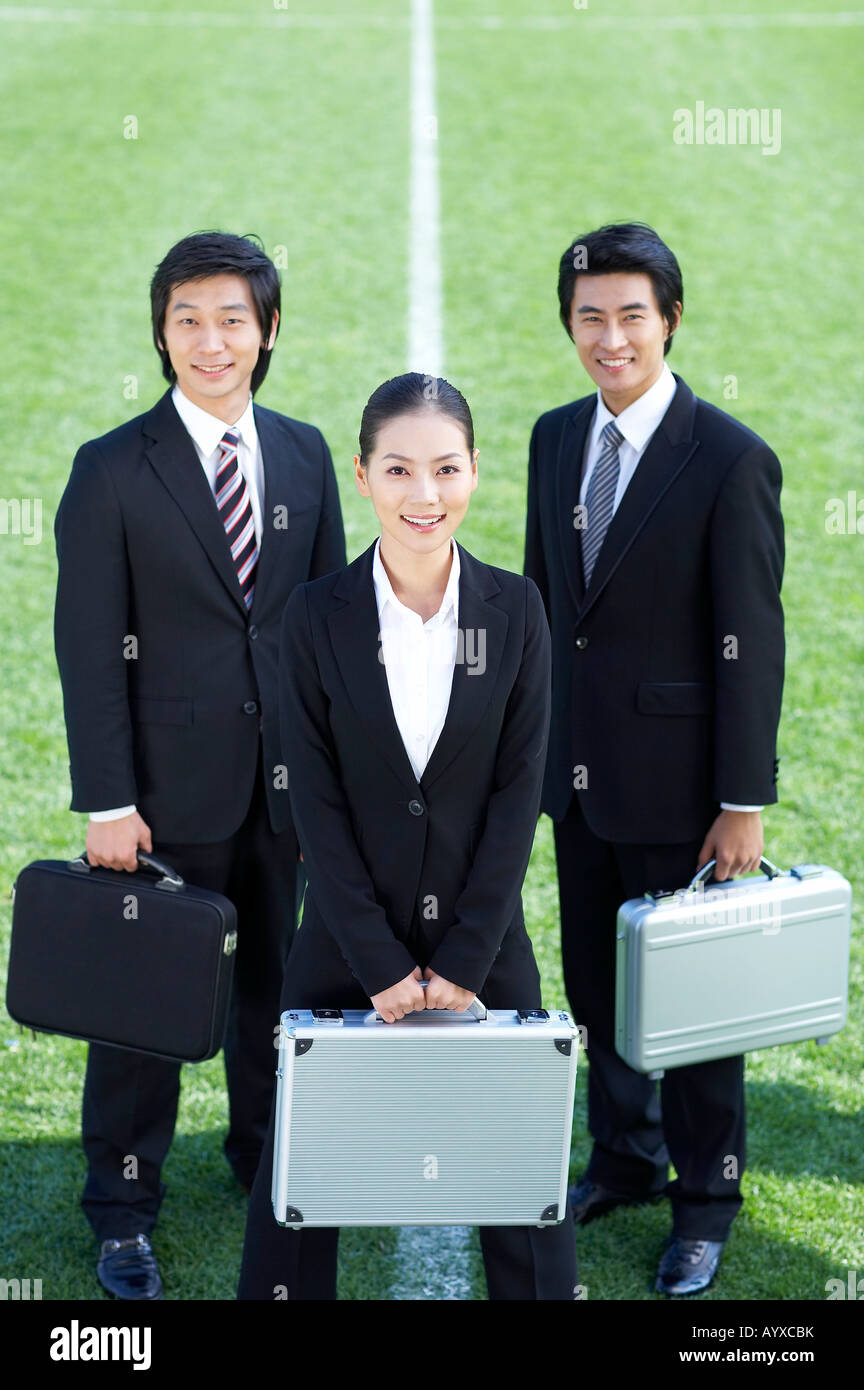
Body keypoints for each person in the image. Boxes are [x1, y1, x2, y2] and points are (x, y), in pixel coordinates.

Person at [237, 372, 578, 1300]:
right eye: (399, 469)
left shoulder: (519, 611)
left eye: (445, 468)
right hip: (345, 938)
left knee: (520, 1168)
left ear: (474, 472)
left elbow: (518, 798)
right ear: (362, 476)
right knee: (301, 1177)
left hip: (484, 936)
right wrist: (380, 963)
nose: (423, 495)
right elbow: (317, 804)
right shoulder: (313, 617)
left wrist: (465, 958)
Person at [53, 231, 346, 1299]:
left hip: (281, 796)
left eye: (233, 319)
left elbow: (324, 636)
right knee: (142, 1014)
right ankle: (123, 1208)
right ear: (161, 332)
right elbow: (88, 653)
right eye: (188, 320)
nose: (211, 341)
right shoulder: (111, 469)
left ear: (269, 330)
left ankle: (264, 1158)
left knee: (278, 992)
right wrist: (109, 802)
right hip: (161, 806)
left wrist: (327, 785)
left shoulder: (309, 454)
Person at [524, 222, 784, 1295]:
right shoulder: (551, 438)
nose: (612, 335)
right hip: (577, 782)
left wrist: (743, 803)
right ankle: (624, 1160)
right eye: (591, 315)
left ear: (671, 318)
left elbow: (752, 643)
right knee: (598, 990)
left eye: (633, 313)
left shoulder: (730, 458)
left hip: (683, 795)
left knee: (696, 1011)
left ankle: (707, 1199)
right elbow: (547, 607)